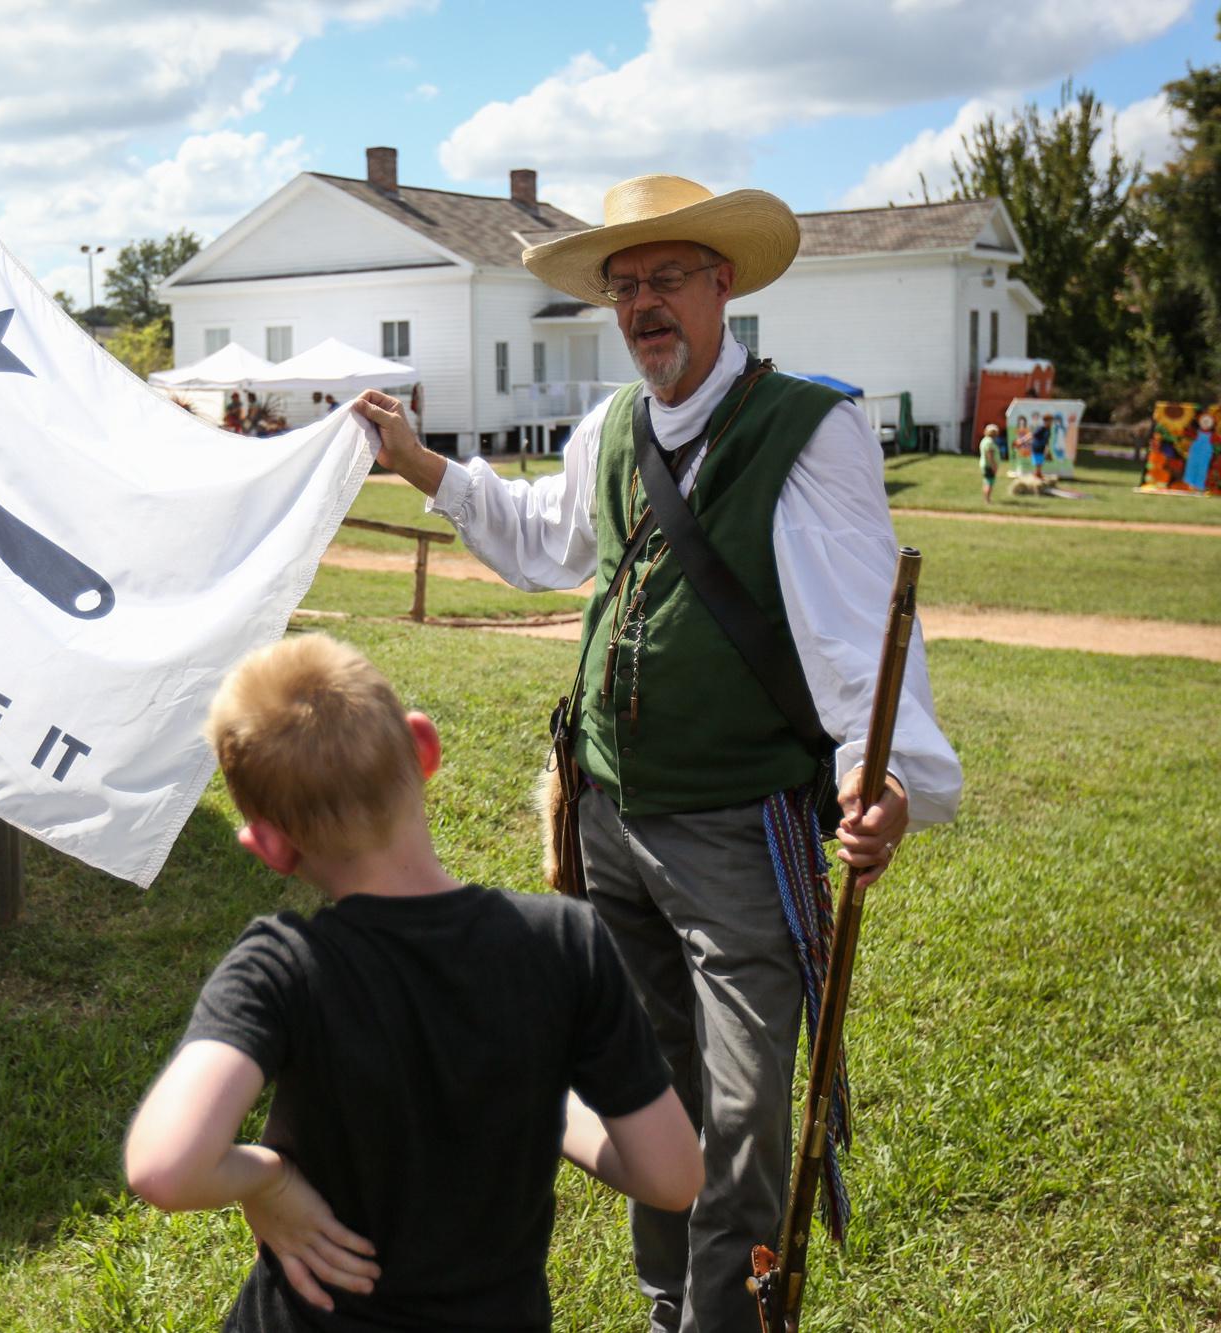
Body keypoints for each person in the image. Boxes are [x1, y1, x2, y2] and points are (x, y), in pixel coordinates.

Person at [352, 174, 962, 1333]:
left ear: (720, 284)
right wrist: (417, 460)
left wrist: (876, 778)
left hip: (738, 831)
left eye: (665, 279)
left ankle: (728, 1321)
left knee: (740, 1115)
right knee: (646, 1096)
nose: (642, 306)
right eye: (623, 287)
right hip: (607, 819)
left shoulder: (807, 431)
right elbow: (544, 538)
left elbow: (859, 643)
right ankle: (662, 1307)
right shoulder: (614, 424)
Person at [125, 633, 704, 1331]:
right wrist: (534, 1100)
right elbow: (672, 1177)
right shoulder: (566, 944)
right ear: (423, 748)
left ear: (270, 845)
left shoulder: (282, 965)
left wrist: (269, 1180)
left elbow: (164, 1165)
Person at [980, 423, 1002, 503]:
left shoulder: (984, 440)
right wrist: (994, 466)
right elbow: (990, 456)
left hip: (984, 464)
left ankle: (986, 498)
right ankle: (987, 499)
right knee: (990, 482)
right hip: (989, 465)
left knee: (986, 481)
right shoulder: (989, 442)